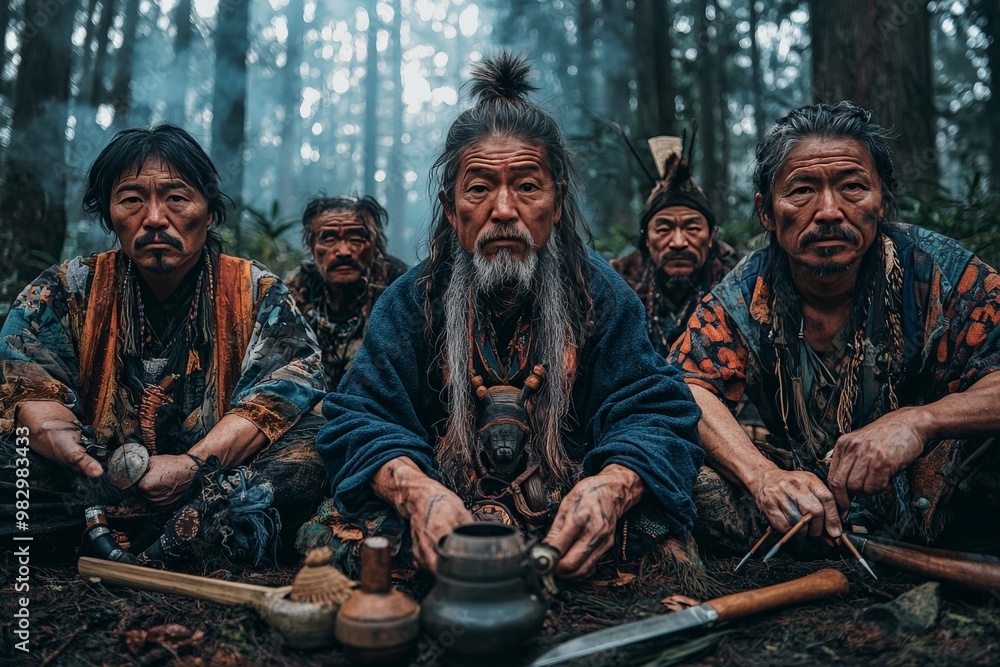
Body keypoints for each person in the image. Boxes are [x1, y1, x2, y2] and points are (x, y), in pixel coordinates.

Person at [298, 53, 703, 580]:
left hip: (566, 497)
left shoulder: (599, 293)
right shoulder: (411, 299)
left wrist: (613, 485)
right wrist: (415, 492)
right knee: (324, 532)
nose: (505, 209)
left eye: (528, 186)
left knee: (674, 528)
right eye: (480, 187)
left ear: (556, 204)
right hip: (443, 499)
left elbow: (655, 408)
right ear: (451, 207)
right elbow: (359, 416)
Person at [670, 101, 1000, 552]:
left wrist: (921, 421)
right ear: (767, 212)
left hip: (941, 494)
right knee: (674, 467)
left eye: (852, 187)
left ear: (881, 199)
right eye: (802, 190)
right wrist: (762, 475)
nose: (828, 210)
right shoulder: (745, 295)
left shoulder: (941, 273)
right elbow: (688, 385)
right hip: (806, 502)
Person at [0, 125, 327, 568]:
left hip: (213, 483)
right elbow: (26, 375)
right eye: (132, 199)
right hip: (92, 485)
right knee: (16, 458)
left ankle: (190, 531)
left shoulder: (255, 290)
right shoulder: (70, 287)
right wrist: (67, 445)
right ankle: (164, 539)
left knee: (319, 441)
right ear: (110, 213)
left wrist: (193, 465)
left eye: (176, 197)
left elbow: (288, 382)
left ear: (208, 211)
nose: (154, 217)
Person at [611, 136, 739, 355]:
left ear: (710, 238)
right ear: (647, 240)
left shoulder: (738, 285)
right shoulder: (617, 285)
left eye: (692, 228)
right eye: (663, 229)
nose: (678, 242)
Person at [285, 195, 407, 389]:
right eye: (329, 238)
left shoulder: (401, 289)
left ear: (376, 244)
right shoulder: (295, 291)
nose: (343, 251)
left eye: (357, 238)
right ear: (312, 245)